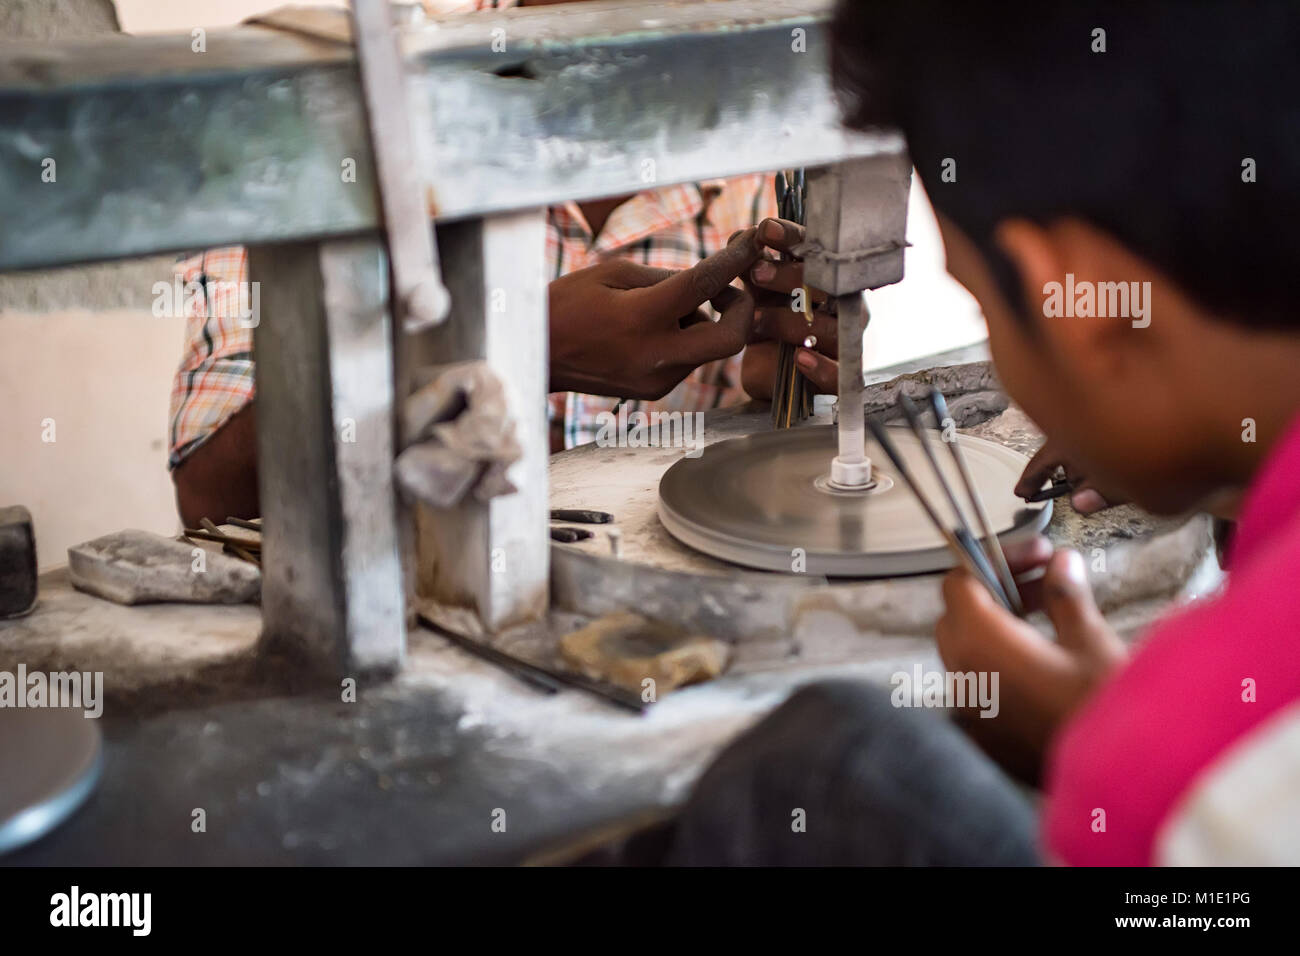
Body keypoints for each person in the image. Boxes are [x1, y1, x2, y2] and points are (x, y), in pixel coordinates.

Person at [670, 0, 1300, 865]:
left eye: (979, 301)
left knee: (833, 756)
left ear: (1086, 309)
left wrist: (1104, 743)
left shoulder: (1190, 758)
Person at [169, 0, 841, 528]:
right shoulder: (337, 113)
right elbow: (212, 496)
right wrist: (512, 347)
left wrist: (783, 394)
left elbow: (777, 455)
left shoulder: (764, 141)